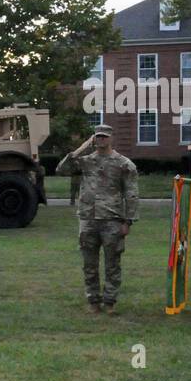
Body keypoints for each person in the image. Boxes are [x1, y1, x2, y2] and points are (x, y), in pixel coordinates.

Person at [55, 126, 139, 314]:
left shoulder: (123, 163)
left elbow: (131, 194)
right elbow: (61, 169)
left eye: (104, 137)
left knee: (112, 264)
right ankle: (93, 301)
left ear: (111, 138)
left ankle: (110, 302)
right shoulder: (86, 161)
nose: (101, 140)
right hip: (88, 219)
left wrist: (128, 221)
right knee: (89, 264)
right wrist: (82, 148)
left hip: (112, 220)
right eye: (98, 137)